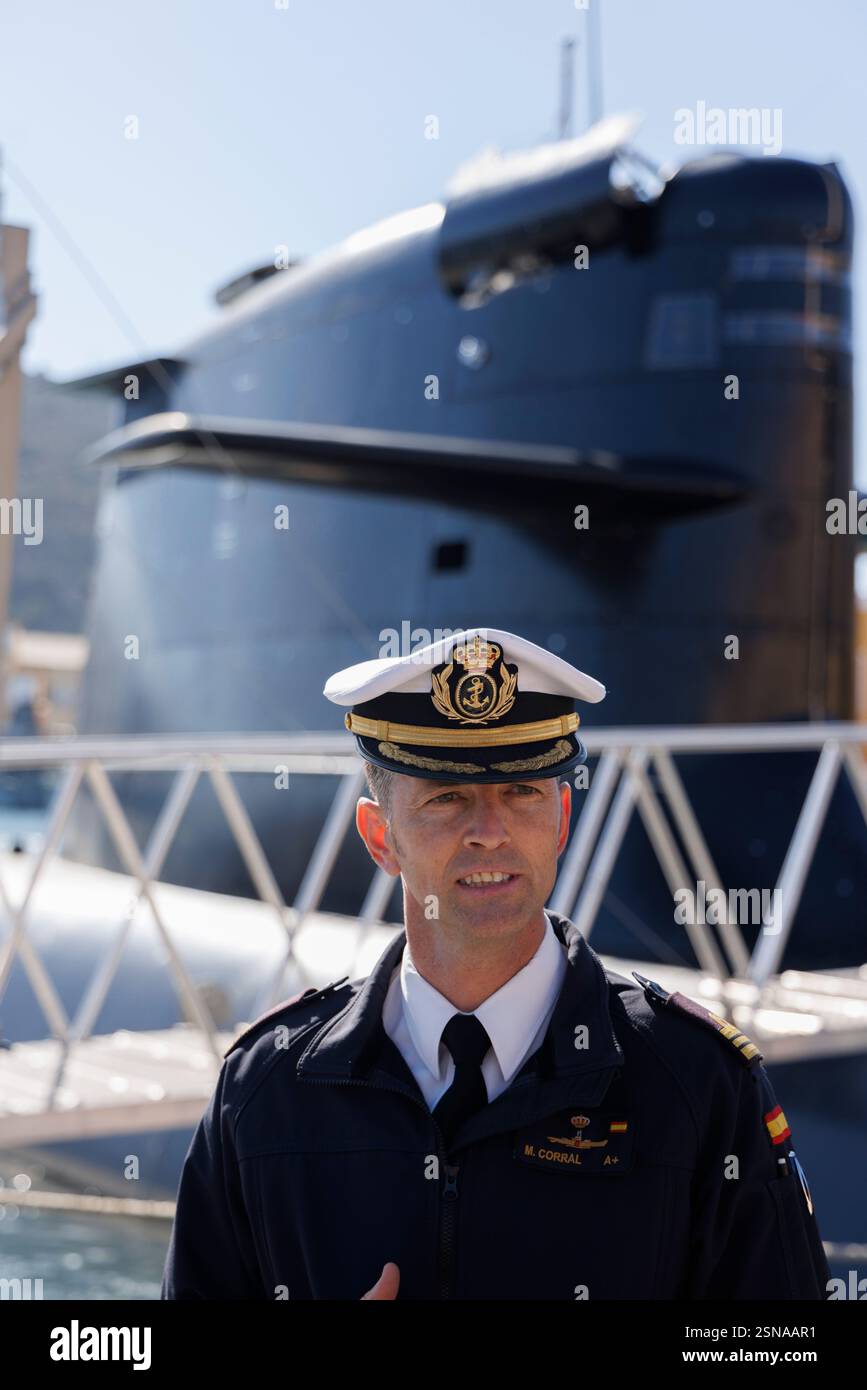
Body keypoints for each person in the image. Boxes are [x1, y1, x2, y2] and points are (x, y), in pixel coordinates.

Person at [161, 627, 831, 1300]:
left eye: (521, 793)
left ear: (561, 819)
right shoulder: (267, 1091)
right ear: (380, 837)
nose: (489, 831)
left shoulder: (698, 1087)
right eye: (446, 798)